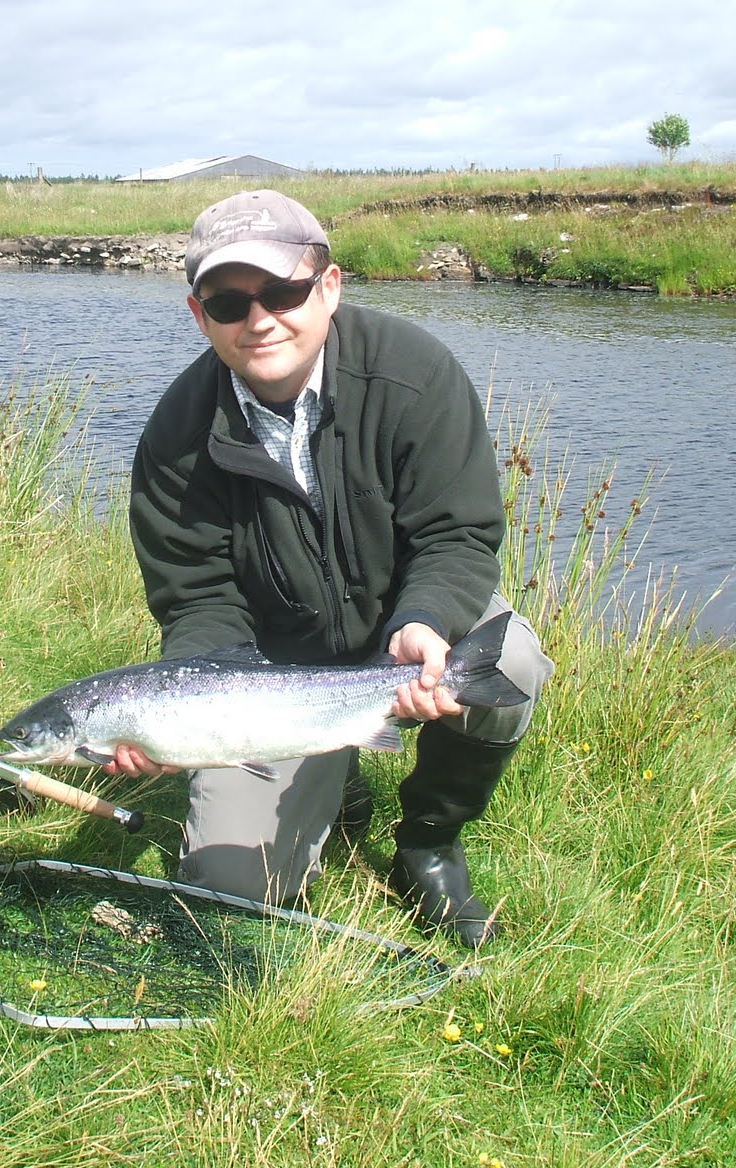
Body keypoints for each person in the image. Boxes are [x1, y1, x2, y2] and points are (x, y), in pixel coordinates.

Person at [116, 189, 551, 947]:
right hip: (275, 675)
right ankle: (335, 778)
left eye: (283, 292)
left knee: (509, 659)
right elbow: (197, 601)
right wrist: (181, 721)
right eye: (228, 304)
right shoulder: (175, 440)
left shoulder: (415, 375)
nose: (259, 320)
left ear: (329, 287)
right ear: (198, 316)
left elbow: (457, 535)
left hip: (403, 630)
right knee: (229, 892)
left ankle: (428, 840)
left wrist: (426, 621)